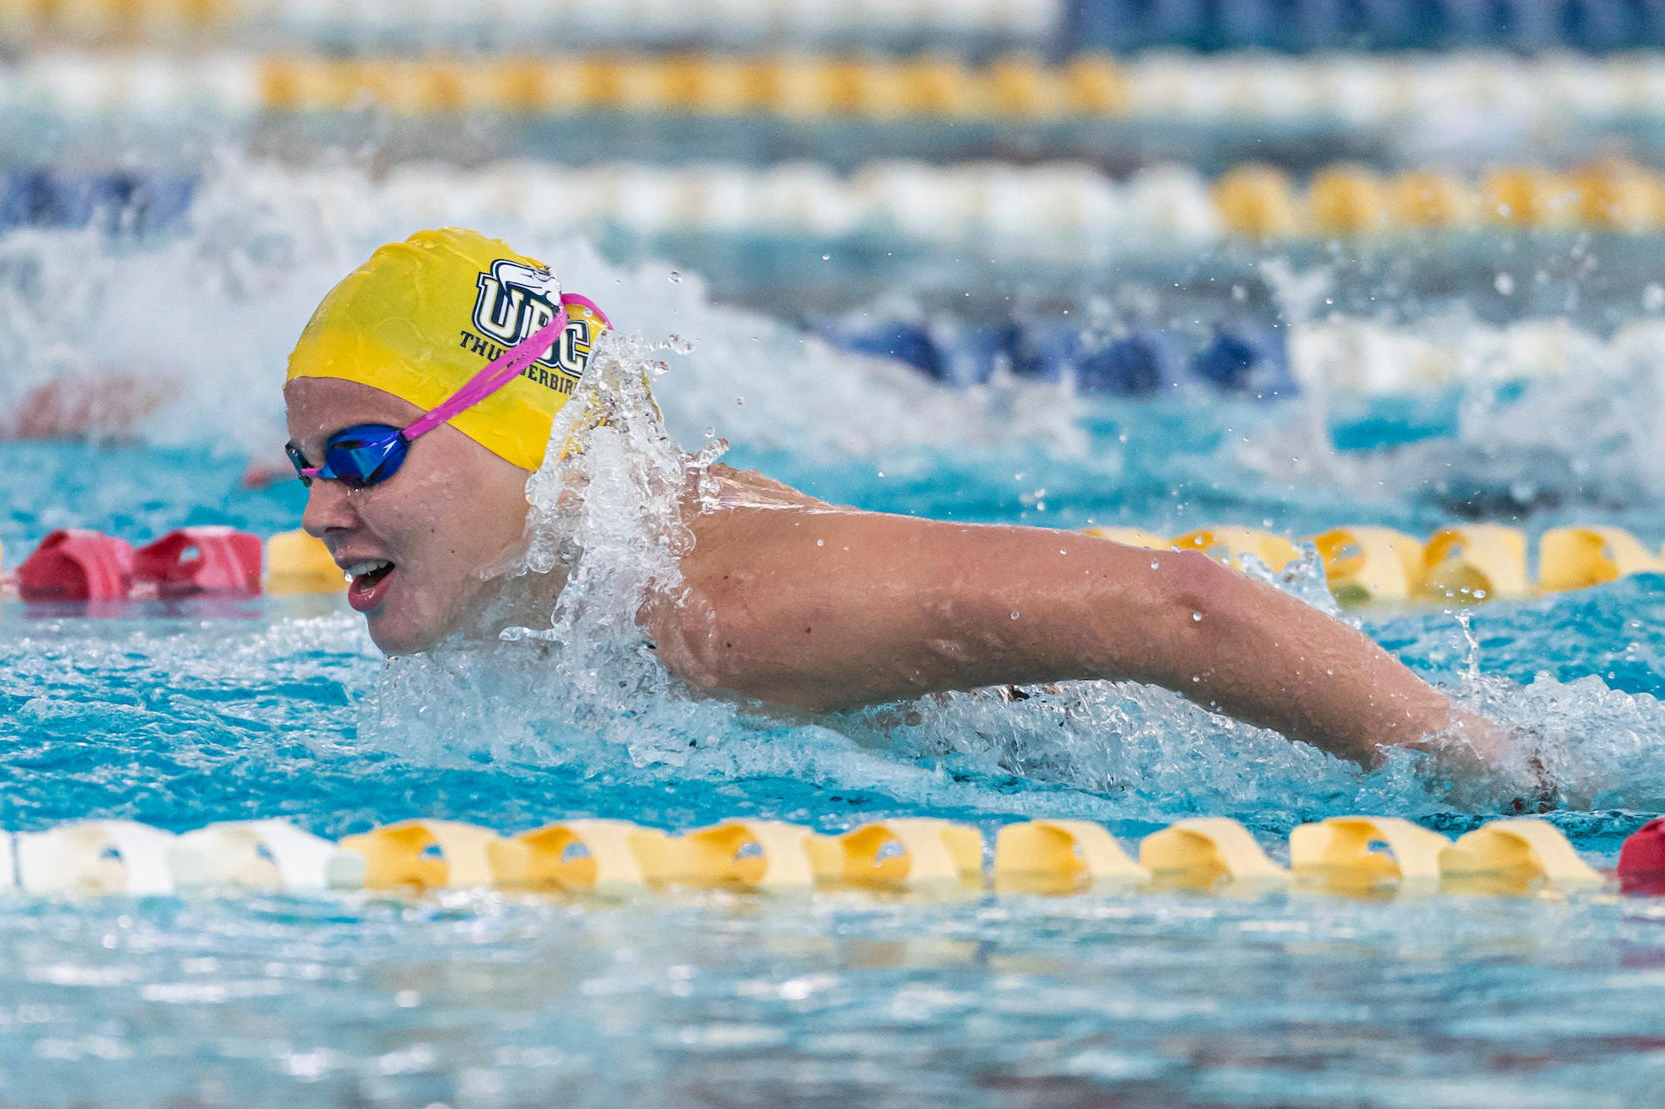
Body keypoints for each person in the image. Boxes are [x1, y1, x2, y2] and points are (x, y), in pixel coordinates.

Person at [284, 228, 1542, 797]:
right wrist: (381, 468)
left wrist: (1475, 761)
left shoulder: (716, 613)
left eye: (361, 454)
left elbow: (1183, 603)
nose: (318, 513)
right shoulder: (573, 540)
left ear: (515, 445)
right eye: (302, 465)